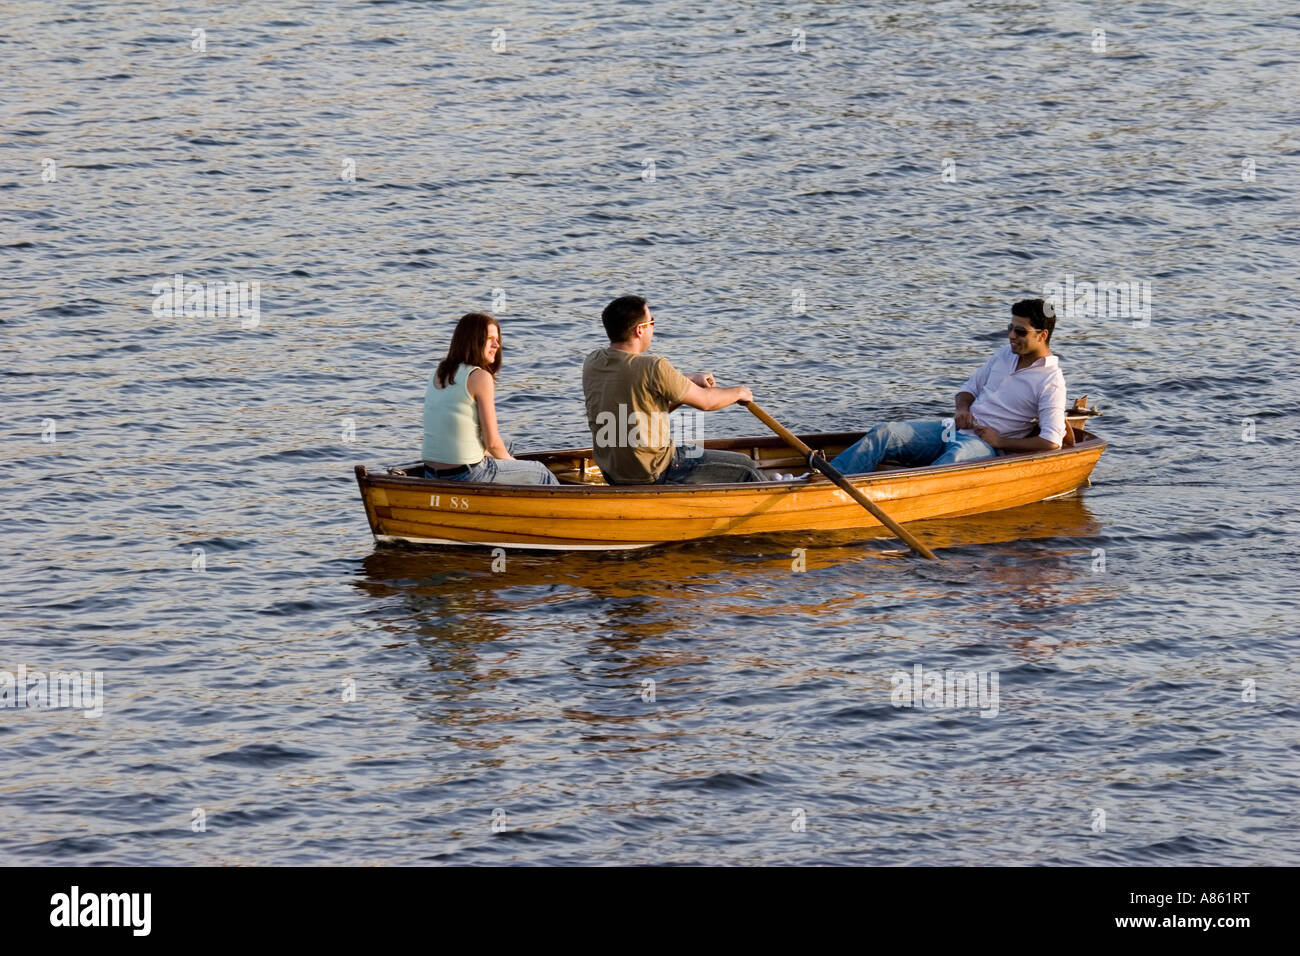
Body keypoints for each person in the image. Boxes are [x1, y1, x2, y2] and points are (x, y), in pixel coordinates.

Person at [828, 299, 1067, 475]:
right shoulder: (1005, 354)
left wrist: (1000, 442)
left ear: (1042, 335)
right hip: (951, 428)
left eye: (1020, 331)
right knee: (885, 432)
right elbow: (968, 389)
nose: (1011, 336)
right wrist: (962, 409)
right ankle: (827, 480)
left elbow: (1051, 441)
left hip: (983, 445)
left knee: (949, 463)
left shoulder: (1050, 381)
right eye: (1010, 328)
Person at [582, 295, 768, 485]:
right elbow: (707, 401)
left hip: (613, 473)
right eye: (651, 322)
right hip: (656, 469)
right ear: (640, 330)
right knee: (745, 466)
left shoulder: (593, 361)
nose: (653, 327)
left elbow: (642, 401)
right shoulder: (653, 366)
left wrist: (690, 380)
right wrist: (740, 392)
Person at [421, 312, 559, 485]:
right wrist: (516, 466)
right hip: (467, 473)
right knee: (540, 472)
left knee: (507, 445)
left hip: (431, 472)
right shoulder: (480, 377)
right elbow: (492, 442)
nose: (497, 345)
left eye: (497, 339)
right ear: (473, 340)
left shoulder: (440, 371)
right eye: (490, 339)